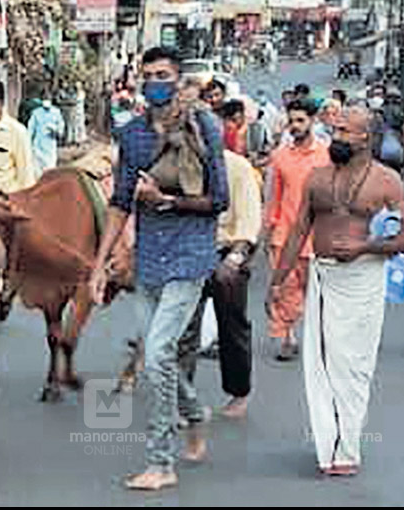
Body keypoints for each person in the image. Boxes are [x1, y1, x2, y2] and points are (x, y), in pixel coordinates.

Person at [88, 46, 228, 491]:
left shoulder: (204, 126)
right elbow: (119, 202)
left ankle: (161, 462)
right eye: (148, 74)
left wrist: (166, 201)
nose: (155, 82)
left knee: (161, 352)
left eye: (163, 74)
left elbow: (218, 199)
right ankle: (194, 412)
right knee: (155, 355)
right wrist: (100, 264)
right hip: (148, 258)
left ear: (178, 78)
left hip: (191, 254)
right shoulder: (131, 135)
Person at [272, 107, 404, 477]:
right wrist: (278, 280)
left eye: (344, 132)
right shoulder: (318, 178)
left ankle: (345, 443)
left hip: (365, 279)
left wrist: (364, 248)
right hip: (324, 277)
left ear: (366, 139)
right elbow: (298, 230)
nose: (335, 137)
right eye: (334, 129)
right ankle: (335, 449)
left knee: (354, 367)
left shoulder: (386, 181)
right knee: (323, 364)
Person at [179, 147, 262, 428]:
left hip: (228, 252)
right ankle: (182, 398)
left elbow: (249, 220)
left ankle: (239, 392)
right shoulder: (182, 164)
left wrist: (235, 258)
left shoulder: (237, 167)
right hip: (189, 252)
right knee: (182, 329)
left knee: (232, 326)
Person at [263, 99, 331, 361]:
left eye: (301, 120)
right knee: (285, 289)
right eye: (291, 121)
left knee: (315, 291)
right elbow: (273, 198)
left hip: (317, 236)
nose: (295, 126)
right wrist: (268, 231)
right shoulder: (280, 157)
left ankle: (315, 337)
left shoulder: (327, 155)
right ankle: (286, 336)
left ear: (313, 121)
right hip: (285, 235)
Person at [28, 94, 66, 177]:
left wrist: (56, 131)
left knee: (50, 169)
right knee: (37, 170)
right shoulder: (36, 113)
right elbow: (31, 128)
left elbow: (61, 126)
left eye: (48, 99)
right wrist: (28, 142)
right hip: (38, 145)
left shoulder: (56, 112)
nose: (46, 101)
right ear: (41, 100)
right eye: (45, 99)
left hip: (50, 145)